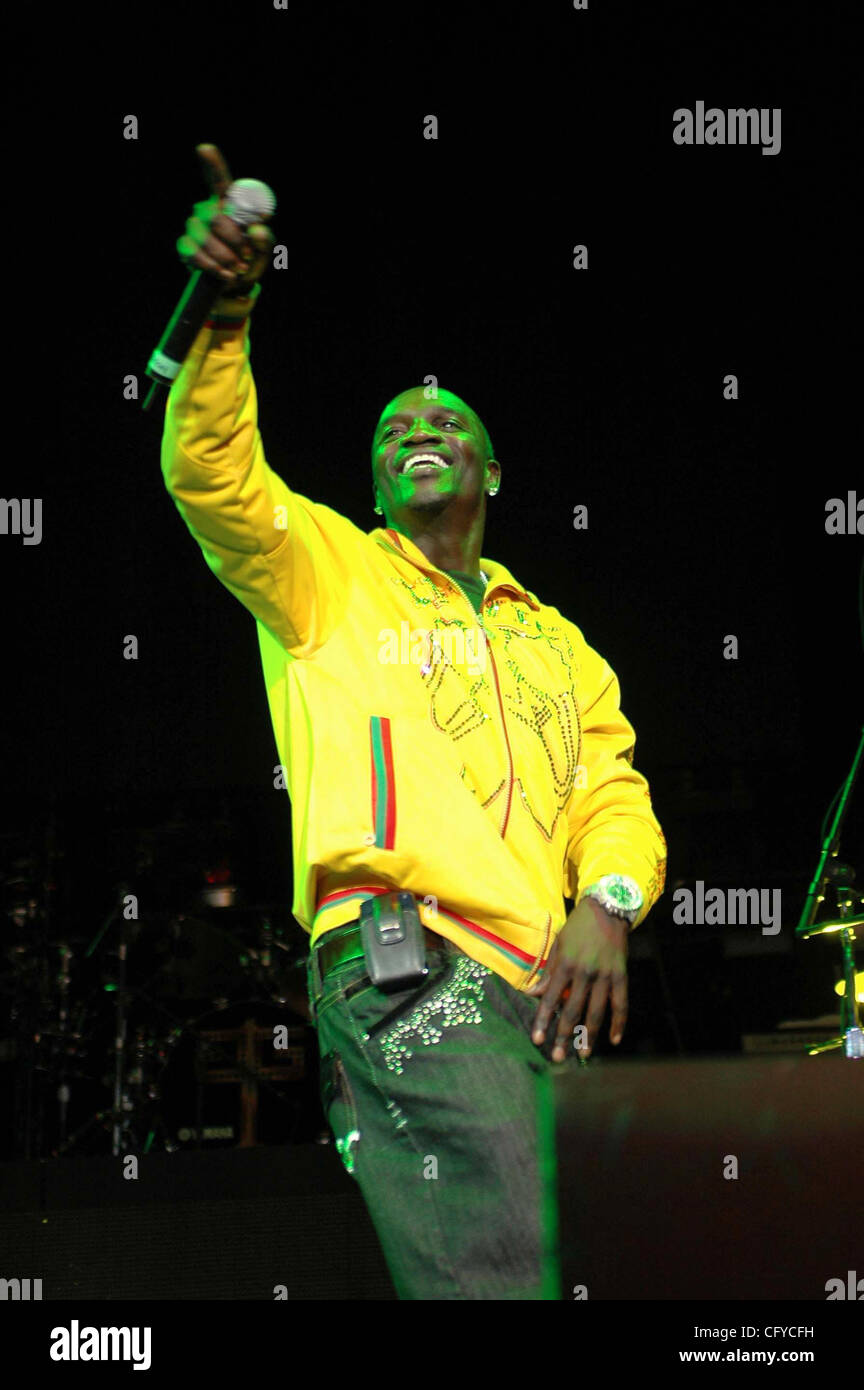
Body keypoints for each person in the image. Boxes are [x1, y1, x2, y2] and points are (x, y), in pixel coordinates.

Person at [161, 144, 667, 1300]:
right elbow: (213, 476)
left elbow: (613, 792)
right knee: (504, 1272)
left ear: (493, 464)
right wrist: (225, 312)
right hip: (413, 967)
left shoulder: (556, 639)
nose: (415, 428)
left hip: (545, 995)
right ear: (379, 480)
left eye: (442, 418)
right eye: (391, 428)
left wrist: (610, 899)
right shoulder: (331, 572)